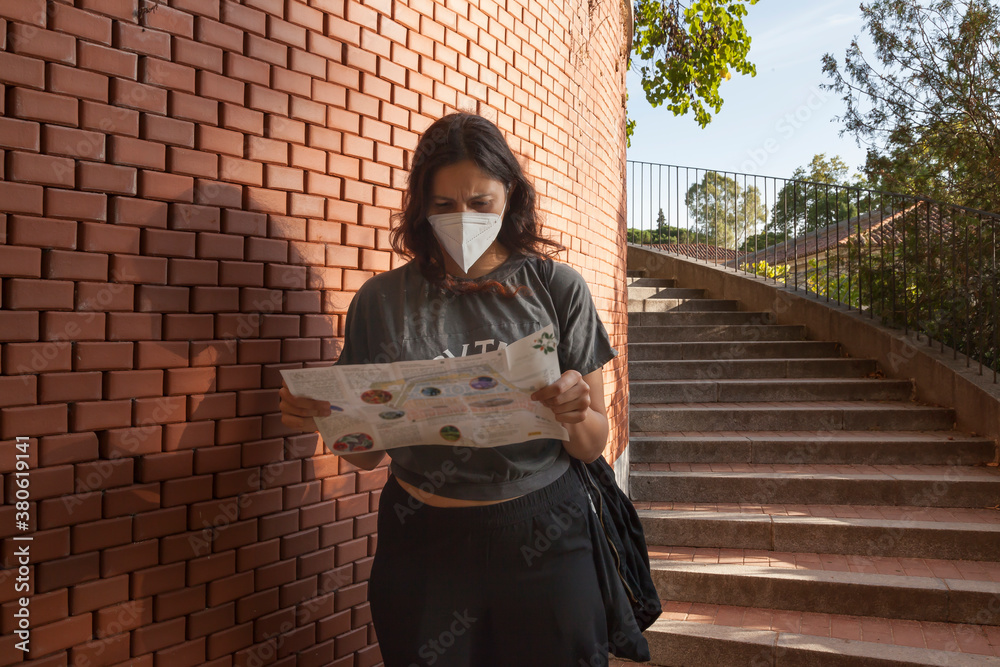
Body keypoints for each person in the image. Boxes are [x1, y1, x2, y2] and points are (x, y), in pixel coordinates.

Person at [279, 112, 618, 666]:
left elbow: (591, 443)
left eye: (481, 203)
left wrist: (576, 410)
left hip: (543, 533)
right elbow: (366, 458)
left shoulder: (557, 288)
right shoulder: (380, 301)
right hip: (423, 542)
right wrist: (325, 417)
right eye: (444, 206)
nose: (464, 218)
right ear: (421, 206)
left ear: (509, 195)